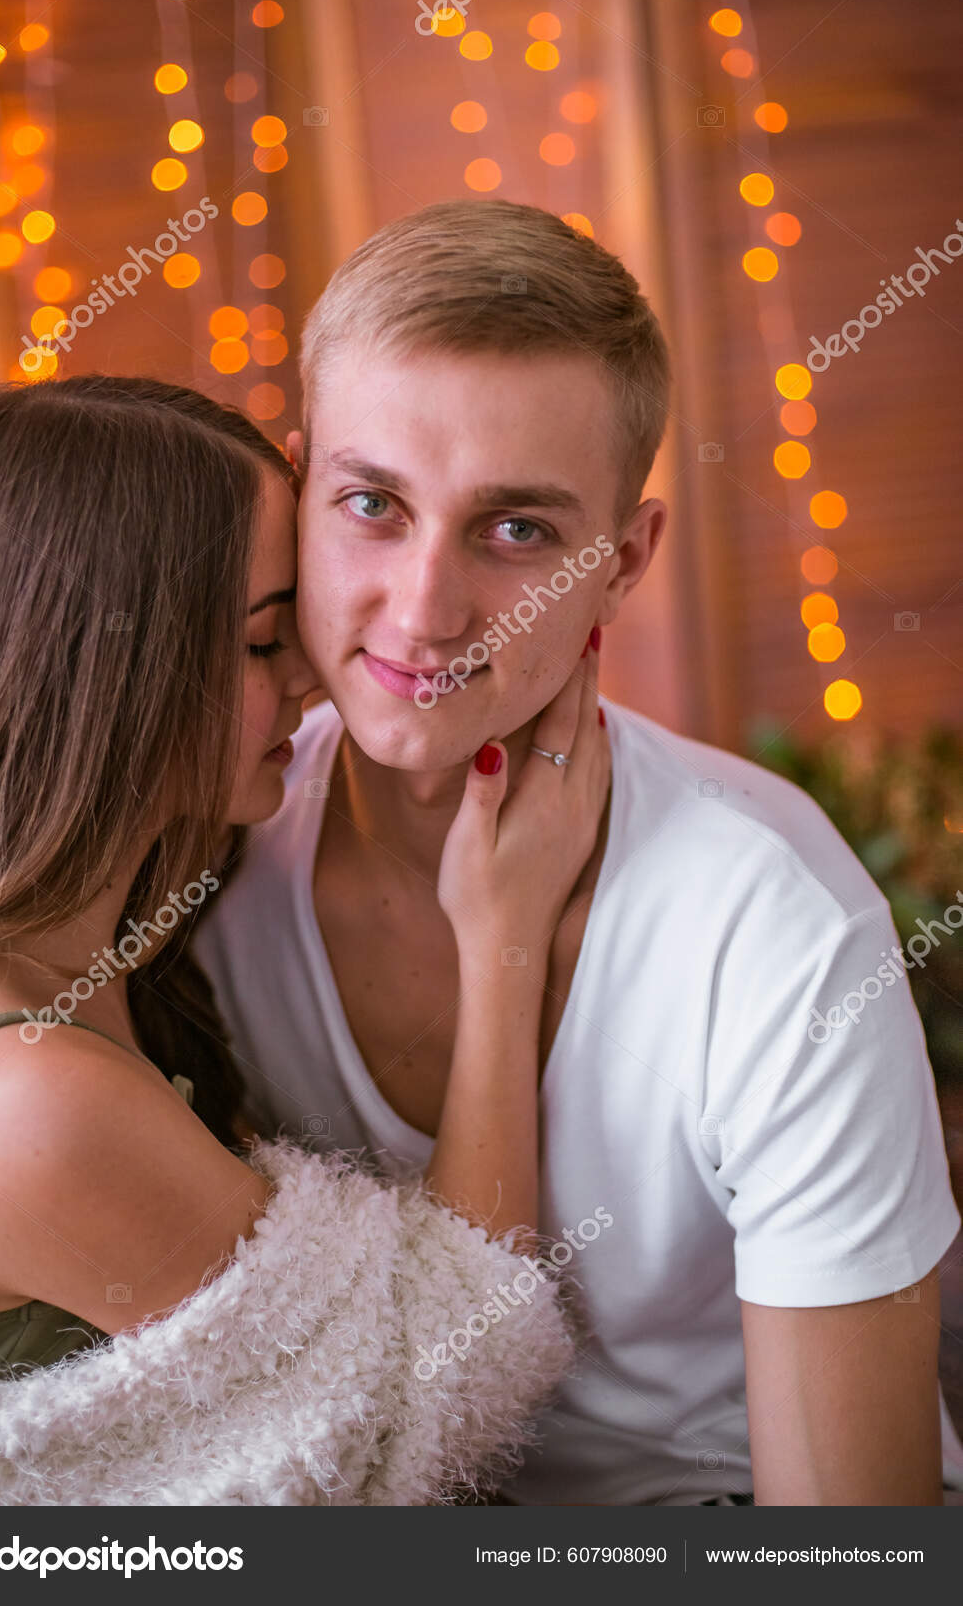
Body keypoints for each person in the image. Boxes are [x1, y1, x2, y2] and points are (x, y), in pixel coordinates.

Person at [193, 198, 963, 1507]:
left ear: (623, 562)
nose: (426, 611)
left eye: (517, 532)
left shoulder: (766, 916)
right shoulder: (202, 856)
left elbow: (852, 1547)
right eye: (373, 502)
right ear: (298, 492)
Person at [0, 373, 611, 1506]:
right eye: (265, 640)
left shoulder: (107, 936)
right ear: (106, 674)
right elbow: (445, 1380)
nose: (312, 676)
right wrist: (505, 933)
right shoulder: (26, 1102)